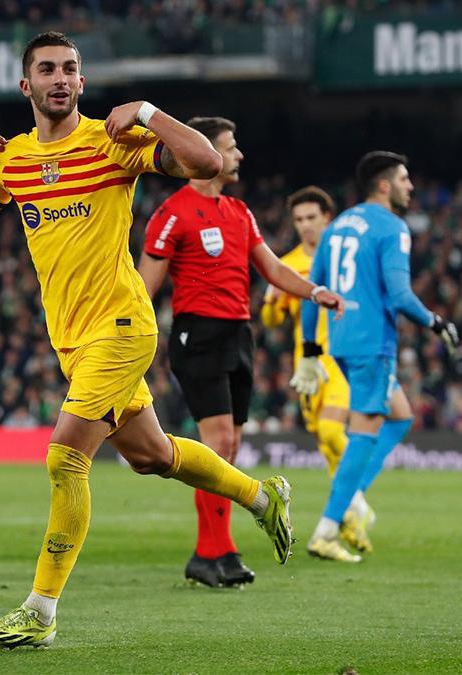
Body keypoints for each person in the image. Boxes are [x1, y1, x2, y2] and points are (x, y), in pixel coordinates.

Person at [0, 31, 298, 650]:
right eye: (47, 69)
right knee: (153, 456)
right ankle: (261, 496)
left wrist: (150, 112)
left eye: (69, 69)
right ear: (26, 85)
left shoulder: (111, 143)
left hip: (123, 326)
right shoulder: (15, 160)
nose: (59, 78)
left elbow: (207, 164)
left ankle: (40, 611)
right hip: (72, 339)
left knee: (65, 457)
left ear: (82, 83)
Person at [138, 122, 345, 587]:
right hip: (198, 334)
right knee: (216, 446)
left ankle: (218, 551)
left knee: (229, 448)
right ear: (206, 153)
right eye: (231, 148)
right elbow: (144, 286)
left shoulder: (238, 210)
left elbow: (272, 267)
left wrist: (315, 292)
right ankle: (212, 553)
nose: (239, 156)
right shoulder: (172, 212)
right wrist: (128, 334)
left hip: (238, 334)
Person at [293, 152, 459, 561]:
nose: (410, 186)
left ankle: (353, 496)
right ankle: (328, 529)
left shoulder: (337, 226)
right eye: (404, 179)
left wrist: (311, 349)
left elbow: (313, 291)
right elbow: (400, 295)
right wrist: (436, 322)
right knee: (365, 430)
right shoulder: (392, 227)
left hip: (341, 341)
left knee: (400, 415)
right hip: (372, 342)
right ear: (384, 185)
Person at [260, 186, 359, 562]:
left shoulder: (345, 260)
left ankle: (358, 501)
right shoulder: (286, 265)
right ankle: (344, 521)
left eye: (311, 218)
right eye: (299, 219)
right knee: (327, 446)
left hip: (342, 360)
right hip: (308, 368)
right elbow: (271, 321)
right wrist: (273, 301)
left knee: (333, 433)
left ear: (327, 218)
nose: (305, 225)